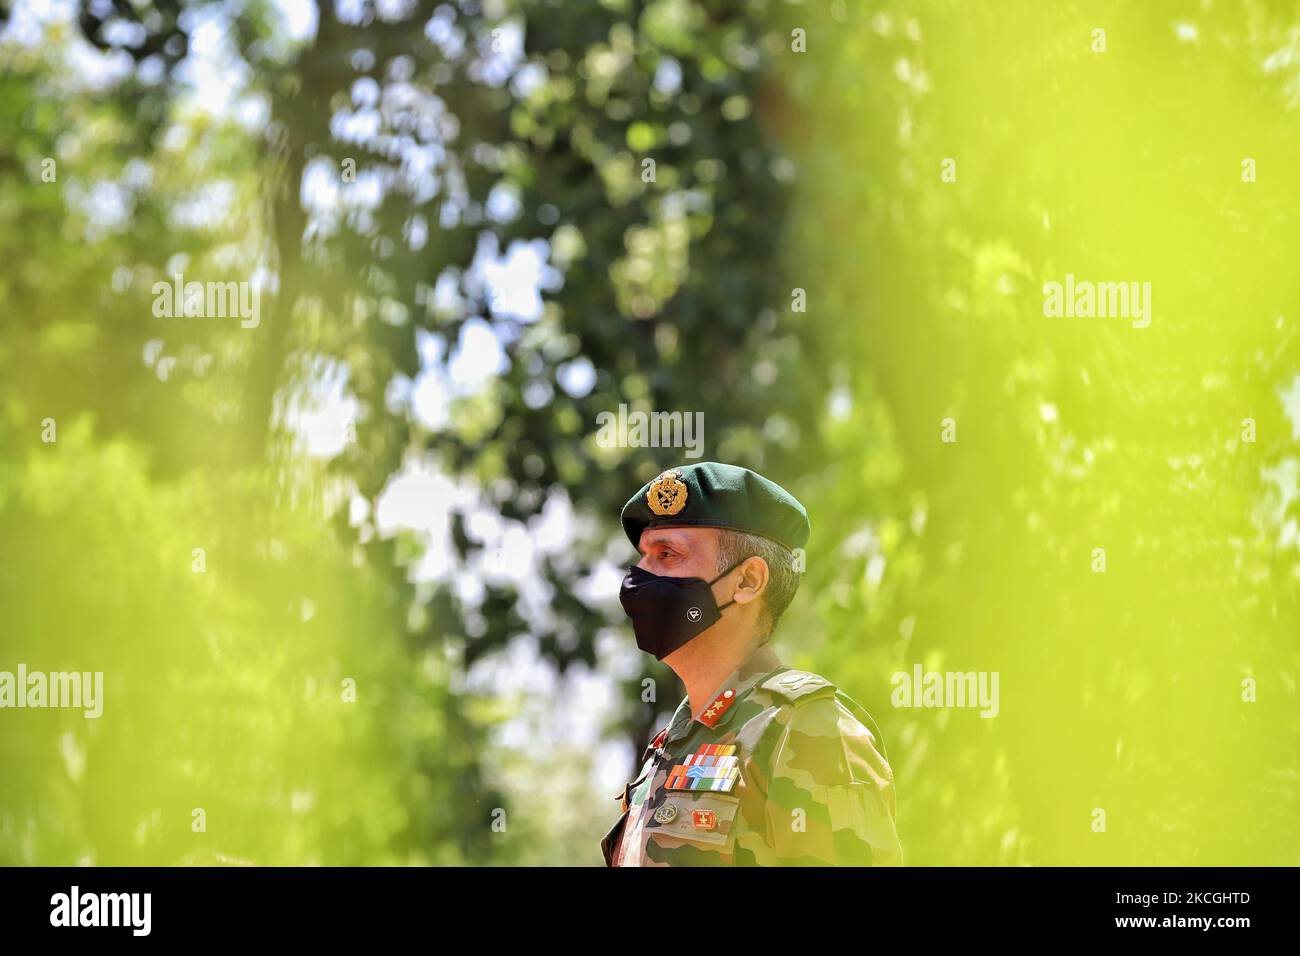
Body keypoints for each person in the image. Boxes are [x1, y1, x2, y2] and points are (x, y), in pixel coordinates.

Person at [602, 462, 903, 866]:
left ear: (747, 582)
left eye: (667, 554)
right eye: (644, 556)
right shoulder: (671, 744)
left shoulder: (805, 729)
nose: (638, 577)